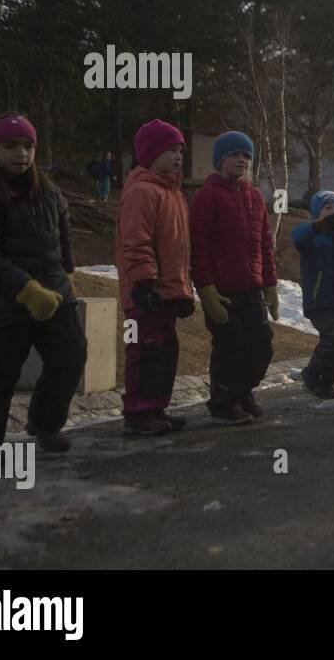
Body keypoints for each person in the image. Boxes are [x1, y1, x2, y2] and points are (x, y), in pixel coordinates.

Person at [0, 115, 86, 453]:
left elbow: (64, 239)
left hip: (57, 298)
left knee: (70, 358)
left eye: (27, 146)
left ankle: (46, 423)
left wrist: (67, 278)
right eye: (10, 146)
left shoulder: (50, 191)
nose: (21, 154)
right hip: (9, 303)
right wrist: (27, 291)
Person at [190, 130, 279, 425]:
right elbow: (198, 248)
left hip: (253, 289)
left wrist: (270, 286)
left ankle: (242, 392)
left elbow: (265, 245)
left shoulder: (255, 198)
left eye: (247, 156)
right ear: (220, 160)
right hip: (222, 290)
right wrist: (206, 289)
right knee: (230, 346)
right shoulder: (206, 196)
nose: (242, 160)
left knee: (261, 344)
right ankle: (223, 402)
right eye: (235, 155)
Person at [117, 119, 195, 436]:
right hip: (144, 292)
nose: (177, 156)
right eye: (169, 150)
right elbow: (136, 241)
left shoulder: (176, 195)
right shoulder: (141, 191)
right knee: (143, 350)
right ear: (149, 153)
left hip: (167, 292)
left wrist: (182, 290)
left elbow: (179, 247)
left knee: (166, 350)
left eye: (180, 150)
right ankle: (138, 412)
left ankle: (156, 407)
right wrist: (144, 282)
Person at [292, 190, 334, 400]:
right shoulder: (312, 236)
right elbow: (298, 238)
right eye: (328, 208)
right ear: (316, 213)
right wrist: (317, 227)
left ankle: (327, 381)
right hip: (319, 300)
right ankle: (310, 374)